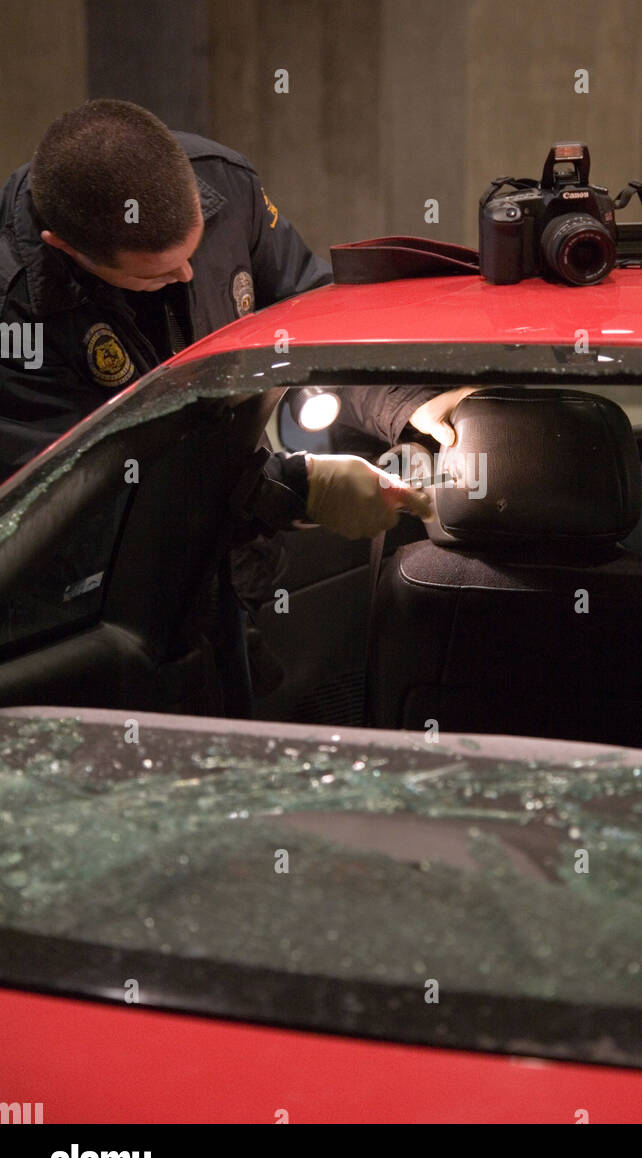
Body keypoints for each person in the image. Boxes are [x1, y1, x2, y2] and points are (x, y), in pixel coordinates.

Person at [0, 99, 470, 710]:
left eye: (194, 249)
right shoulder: (18, 313)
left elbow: (312, 320)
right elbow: (93, 493)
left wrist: (406, 403)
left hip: (237, 564)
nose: (187, 275)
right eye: (155, 275)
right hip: (113, 608)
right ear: (63, 246)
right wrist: (293, 488)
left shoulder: (226, 186)